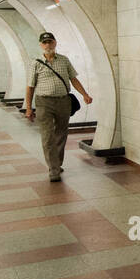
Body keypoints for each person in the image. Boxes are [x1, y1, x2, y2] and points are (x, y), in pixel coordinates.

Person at [24, 31, 92, 183]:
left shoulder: (64, 60)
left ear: (55, 43)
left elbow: (73, 79)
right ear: (41, 45)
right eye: (45, 42)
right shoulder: (35, 63)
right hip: (44, 103)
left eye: (50, 42)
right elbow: (30, 87)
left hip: (63, 102)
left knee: (61, 133)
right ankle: (54, 169)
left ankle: (56, 163)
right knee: (48, 136)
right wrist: (28, 108)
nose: (48, 45)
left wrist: (85, 94)